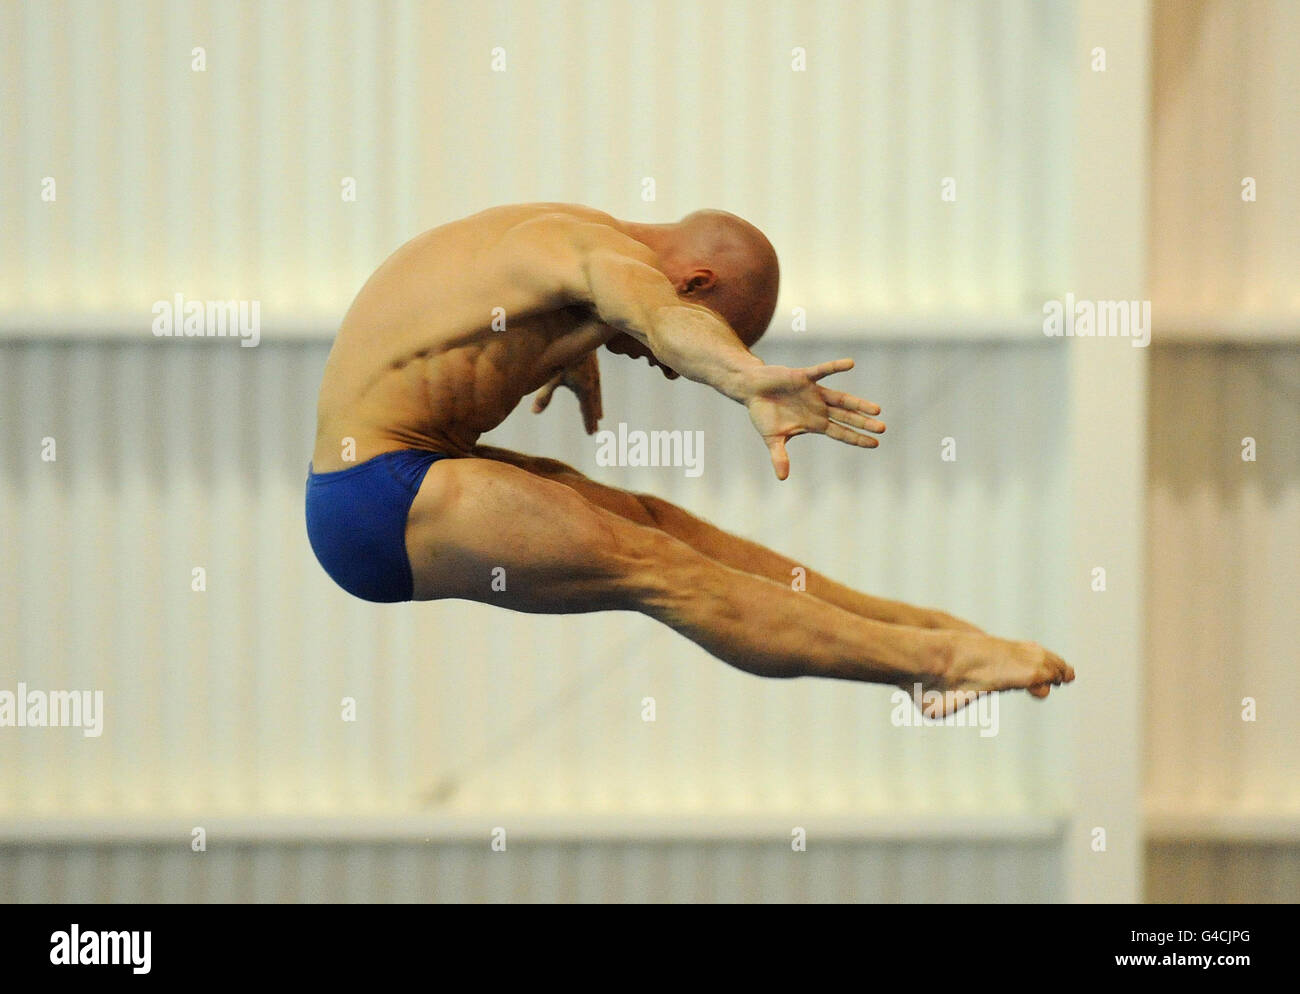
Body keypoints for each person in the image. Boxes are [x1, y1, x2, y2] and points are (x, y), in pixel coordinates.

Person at [306, 203, 1072, 716]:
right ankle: (932, 662)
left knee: (662, 526)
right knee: (668, 573)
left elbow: (454, 316)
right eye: (727, 329)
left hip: (399, 474)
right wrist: (743, 379)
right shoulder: (595, 255)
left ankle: (930, 630)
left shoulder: (565, 245)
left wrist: (562, 350)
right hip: (377, 499)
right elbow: (665, 319)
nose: (668, 371)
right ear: (697, 280)